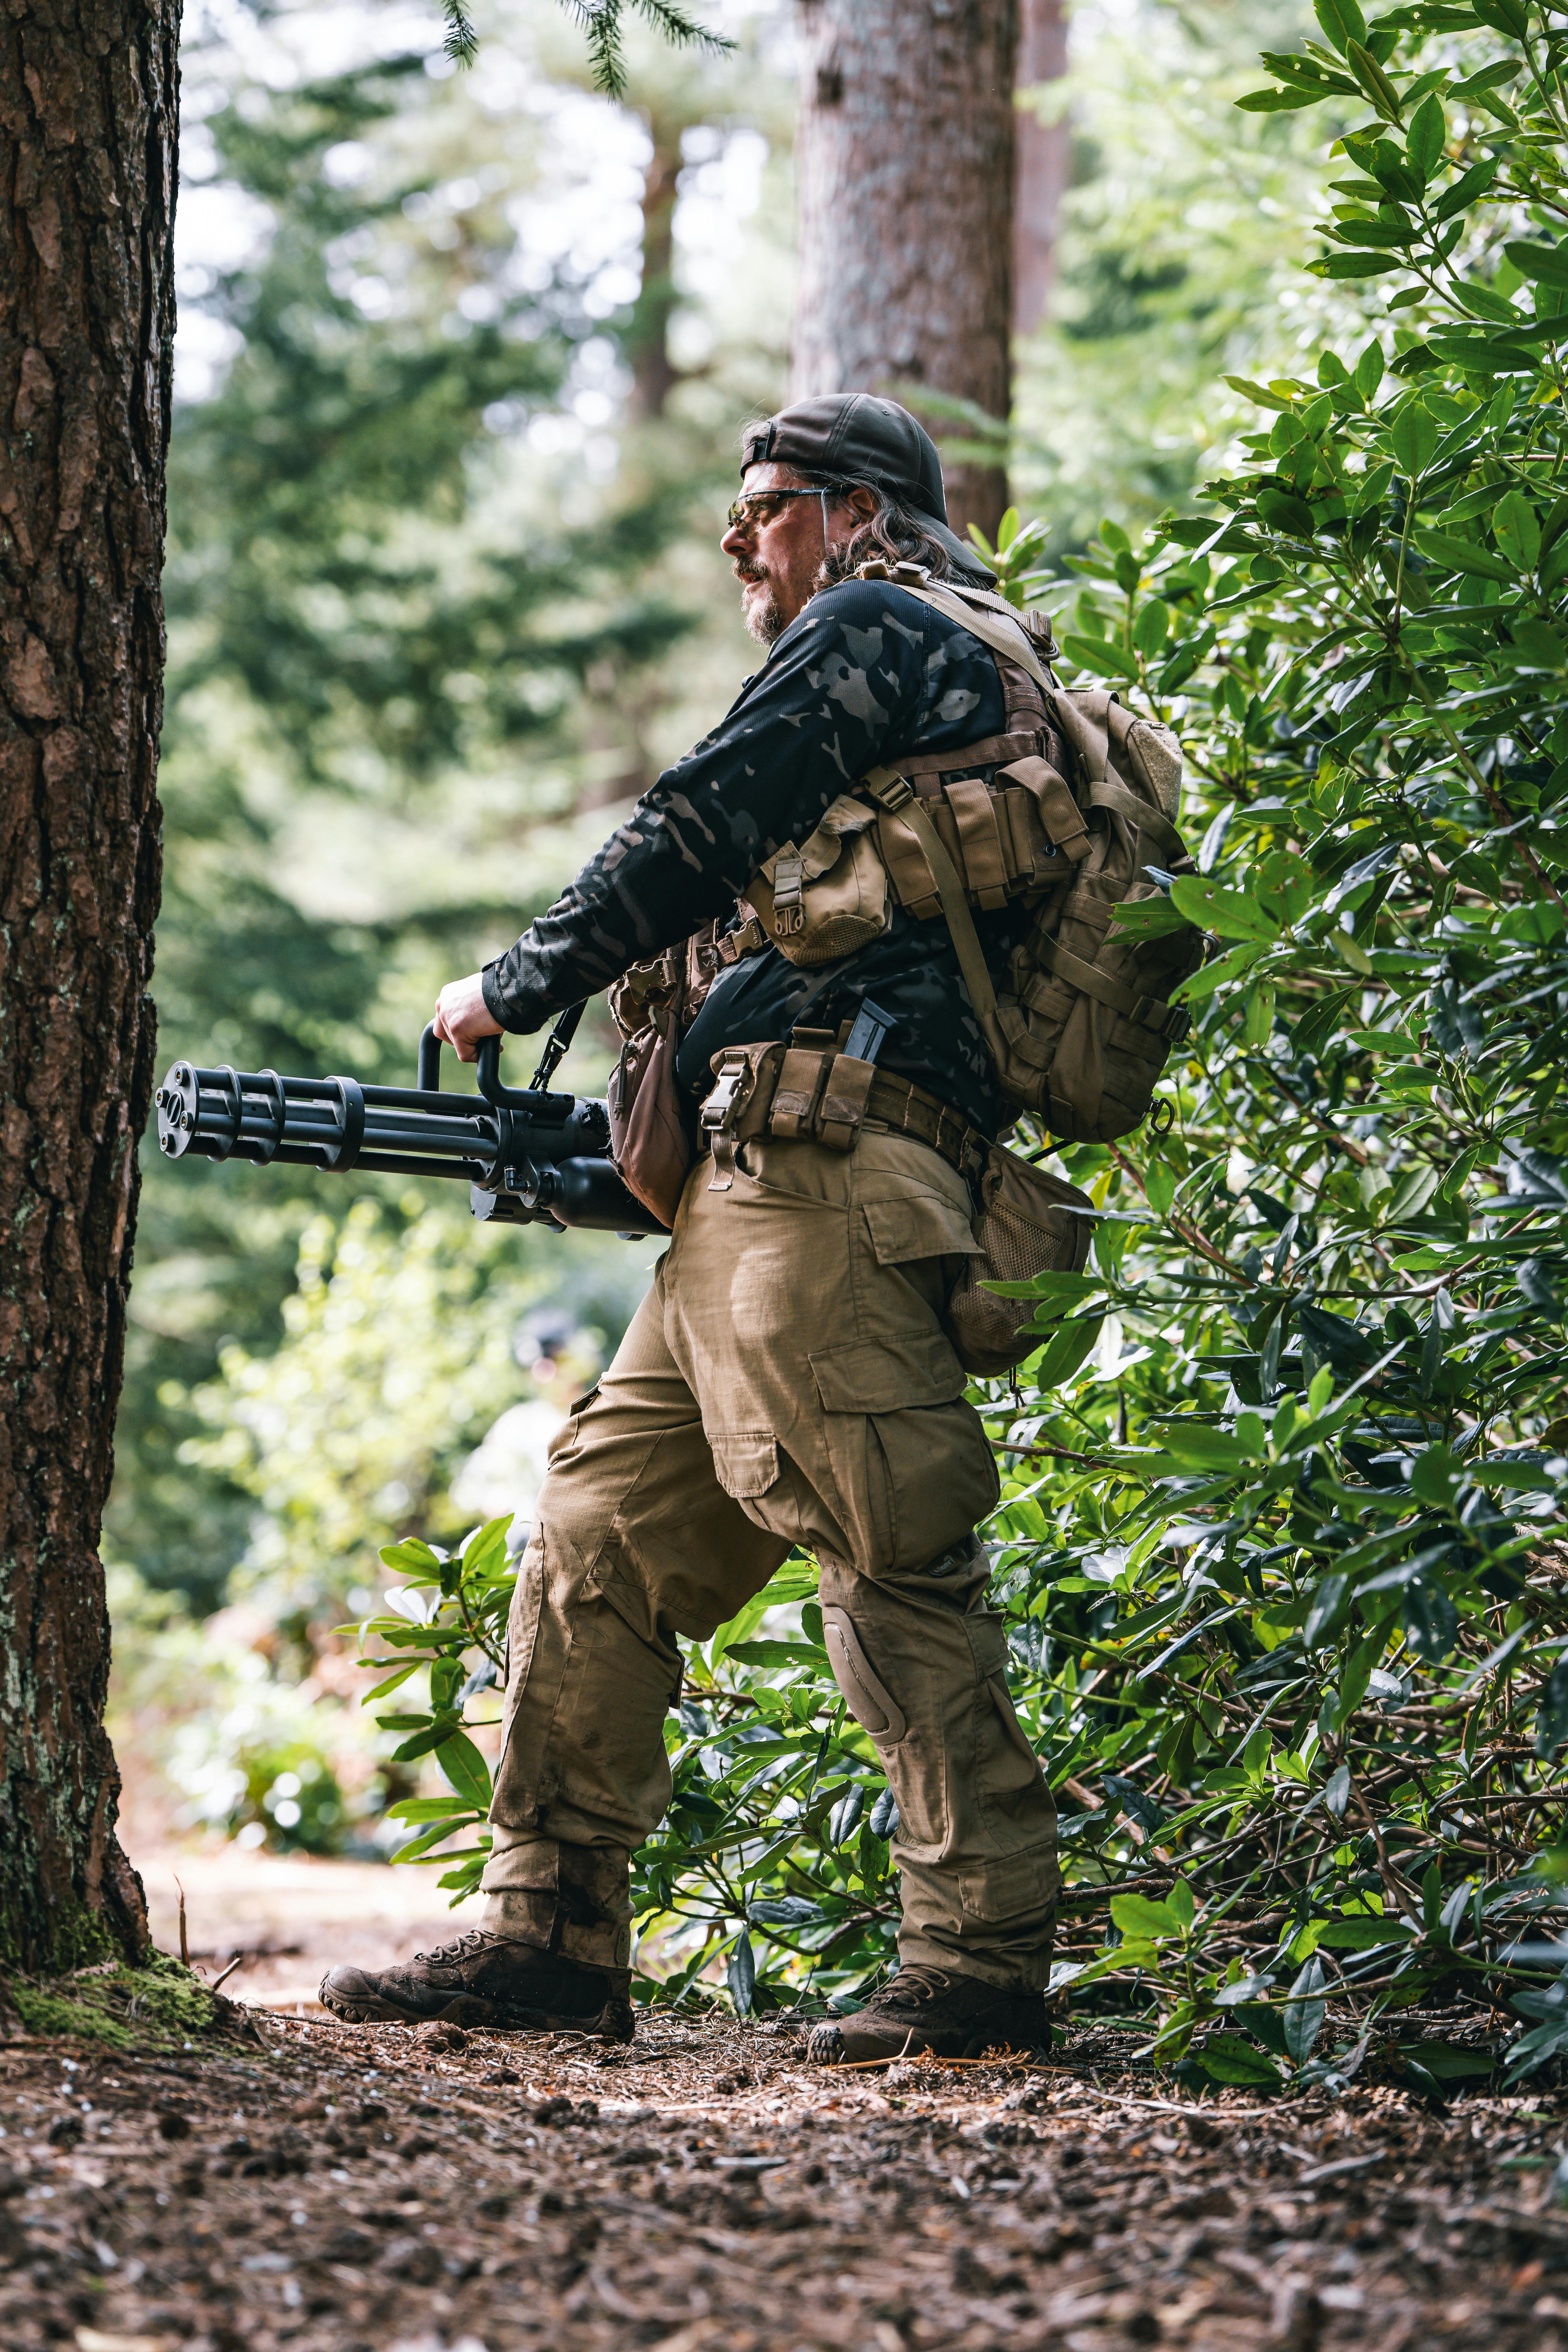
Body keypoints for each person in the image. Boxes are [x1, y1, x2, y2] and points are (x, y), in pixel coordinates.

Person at [320, 394, 1060, 2061]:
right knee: (600, 1528)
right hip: (756, 1188)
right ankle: (550, 1934)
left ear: (865, 513)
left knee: (887, 1548)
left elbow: (693, 818)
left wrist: (511, 987)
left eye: (772, 505)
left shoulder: (884, 628)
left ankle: (976, 1962)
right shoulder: (922, 678)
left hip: (832, 1180)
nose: (741, 537)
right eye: (736, 510)